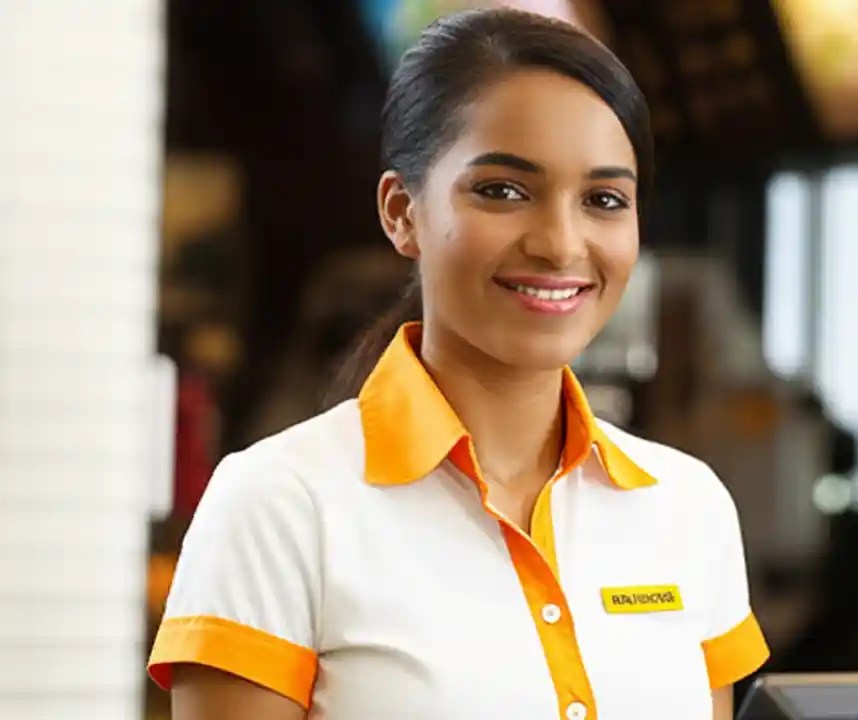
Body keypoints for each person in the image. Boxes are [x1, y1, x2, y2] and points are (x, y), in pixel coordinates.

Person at [146, 9, 768, 719]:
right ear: (401, 212)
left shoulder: (688, 507)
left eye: (603, 199)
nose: (561, 244)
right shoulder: (279, 504)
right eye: (503, 190)